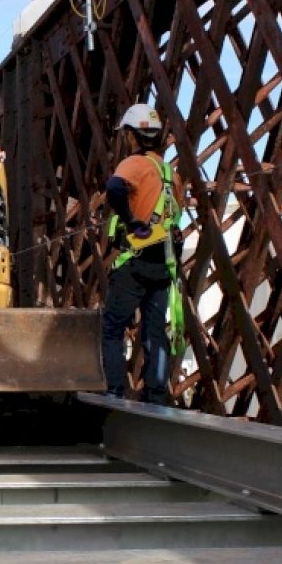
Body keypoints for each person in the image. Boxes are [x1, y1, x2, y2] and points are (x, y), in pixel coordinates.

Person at [101, 103, 184, 403]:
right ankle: (156, 395)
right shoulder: (169, 173)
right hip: (163, 264)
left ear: (132, 135)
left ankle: (113, 392)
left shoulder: (134, 164)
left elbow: (114, 188)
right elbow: (175, 215)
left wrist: (130, 220)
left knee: (112, 328)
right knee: (154, 333)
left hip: (135, 262)